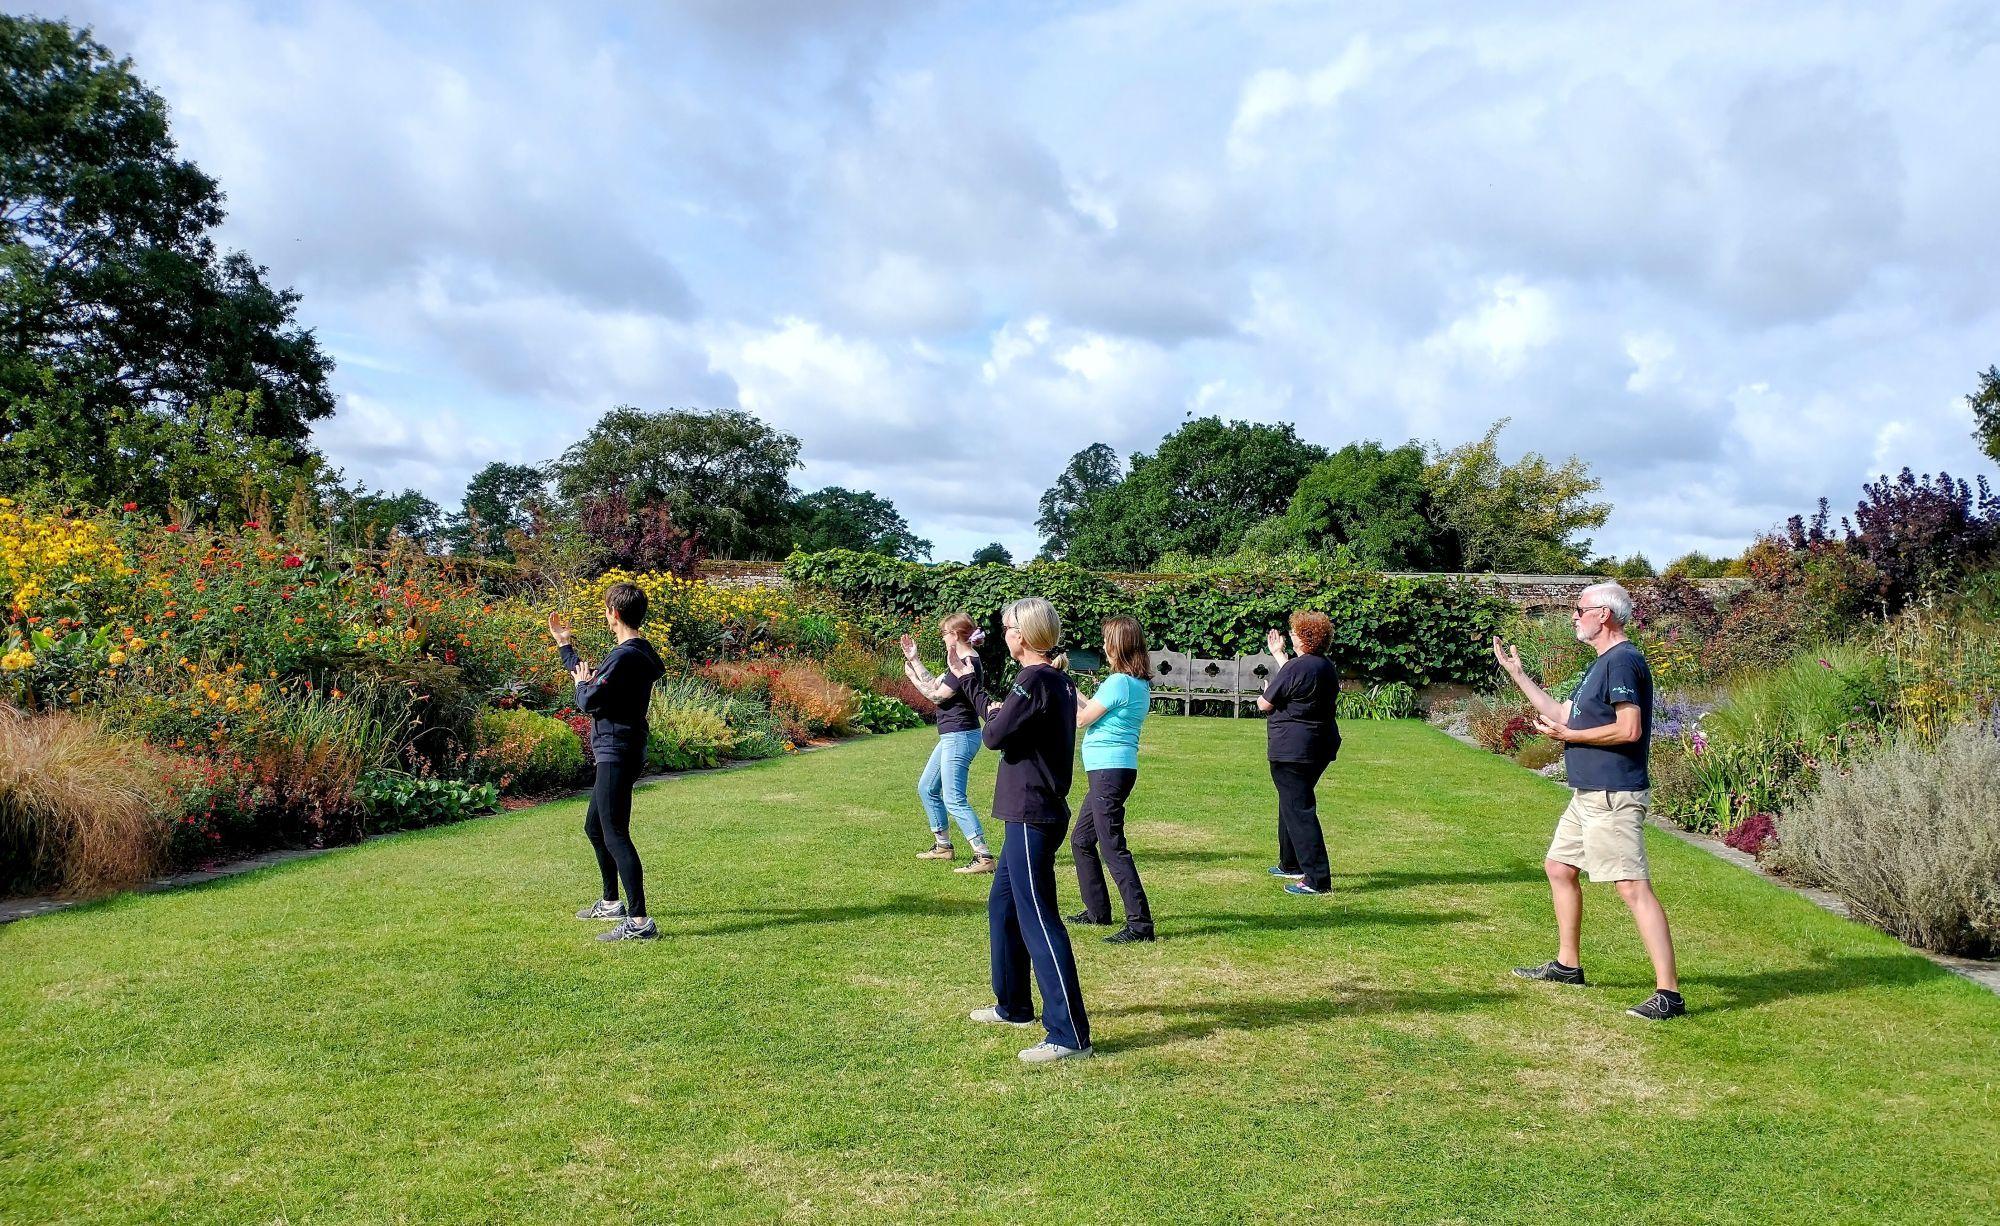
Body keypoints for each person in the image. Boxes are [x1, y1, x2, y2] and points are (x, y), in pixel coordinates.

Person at [1493, 581, 1684, 1020]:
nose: (1574, 616)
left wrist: (1571, 736)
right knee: (1559, 867)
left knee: (1631, 886)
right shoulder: (1600, 664)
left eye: (1579, 609)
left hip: (1613, 794)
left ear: (1604, 615)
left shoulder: (1623, 661)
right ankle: (1568, 965)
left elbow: (1629, 729)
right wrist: (1518, 674)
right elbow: (1563, 715)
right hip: (1588, 794)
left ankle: (1669, 994)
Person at [959, 597, 1093, 1063]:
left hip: (1032, 813)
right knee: (1003, 908)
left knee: (1038, 918)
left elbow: (993, 735)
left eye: (1007, 626)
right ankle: (1014, 1005)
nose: (1004, 633)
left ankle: (1069, 1034)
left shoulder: (1035, 679)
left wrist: (979, 694)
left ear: (1023, 634)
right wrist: (975, 686)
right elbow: (1004, 724)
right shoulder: (1052, 679)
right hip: (1031, 812)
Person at [547, 582, 665, 942]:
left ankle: (640, 922)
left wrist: (582, 686)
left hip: (616, 750)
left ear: (613, 613)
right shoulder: (638, 652)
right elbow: (590, 678)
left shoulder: (624, 656)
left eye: (605, 608)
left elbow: (587, 697)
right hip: (622, 748)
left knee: (614, 833)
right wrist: (565, 645)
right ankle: (612, 902)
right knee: (595, 828)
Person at [1069, 615, 1155, 943]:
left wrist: (1063, 688)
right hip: (1112, 772)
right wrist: (1070, 686)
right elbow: (1093, 708)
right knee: (1081, 840)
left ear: (1117, 646)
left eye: (1107, 640)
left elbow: (1081, 719)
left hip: (1108, 773)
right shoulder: (1135, 683)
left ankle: (1140, 925)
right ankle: (1097, 911)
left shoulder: (1118, 682)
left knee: (1112, 847)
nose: (1104, 646)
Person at [899, 614, 995, 873]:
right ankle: (943, 847)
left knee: (954, 798)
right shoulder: (958, 660)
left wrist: (912, 678)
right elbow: (935, 684)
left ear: (955, 635)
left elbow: (936, 696)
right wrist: (914, 660)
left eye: (944, 633)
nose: (942, 637)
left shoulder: (967, 661)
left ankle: (983, 856)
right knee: (927, 787)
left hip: (960, 735)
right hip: (952, 735)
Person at [1257, 610, 1341, 897]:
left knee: (1299, 809)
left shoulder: (1298, 667)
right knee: (1291, 802)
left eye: (1294, 632)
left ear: (1306, 638)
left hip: (1292, 749)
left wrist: (1266, 692)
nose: (1290, 635)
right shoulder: (1324, 666)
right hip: (1318, 746)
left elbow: (1265, 704)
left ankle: (1317, 879)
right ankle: (1290, 863)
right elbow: (1295, 678)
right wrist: (1279, 655)